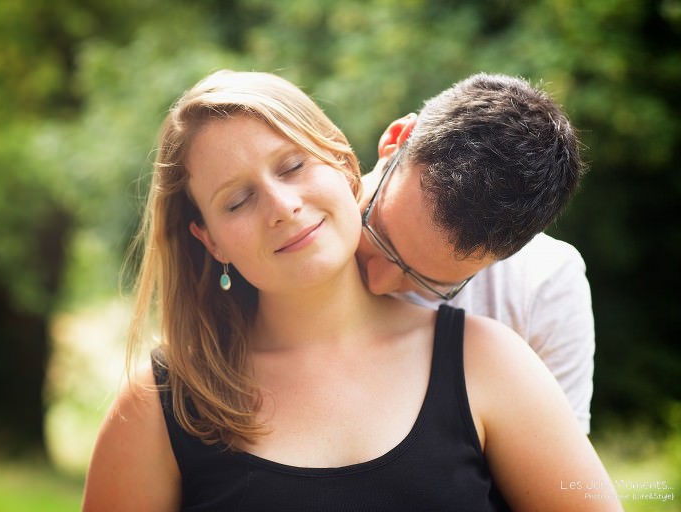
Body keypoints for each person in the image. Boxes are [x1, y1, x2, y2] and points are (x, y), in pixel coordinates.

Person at [82, 70, 621, 511]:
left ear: (341, 162)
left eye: (292, 166)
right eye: (236, 201)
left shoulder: (498, 353)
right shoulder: (160, 405)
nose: (282, 206)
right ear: (210, 240)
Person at [356, 73, 595, 432]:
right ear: (395, 140)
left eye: (427, 282)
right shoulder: (301, 215)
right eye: (380, 235)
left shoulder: (543, 285)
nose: (377, 283)